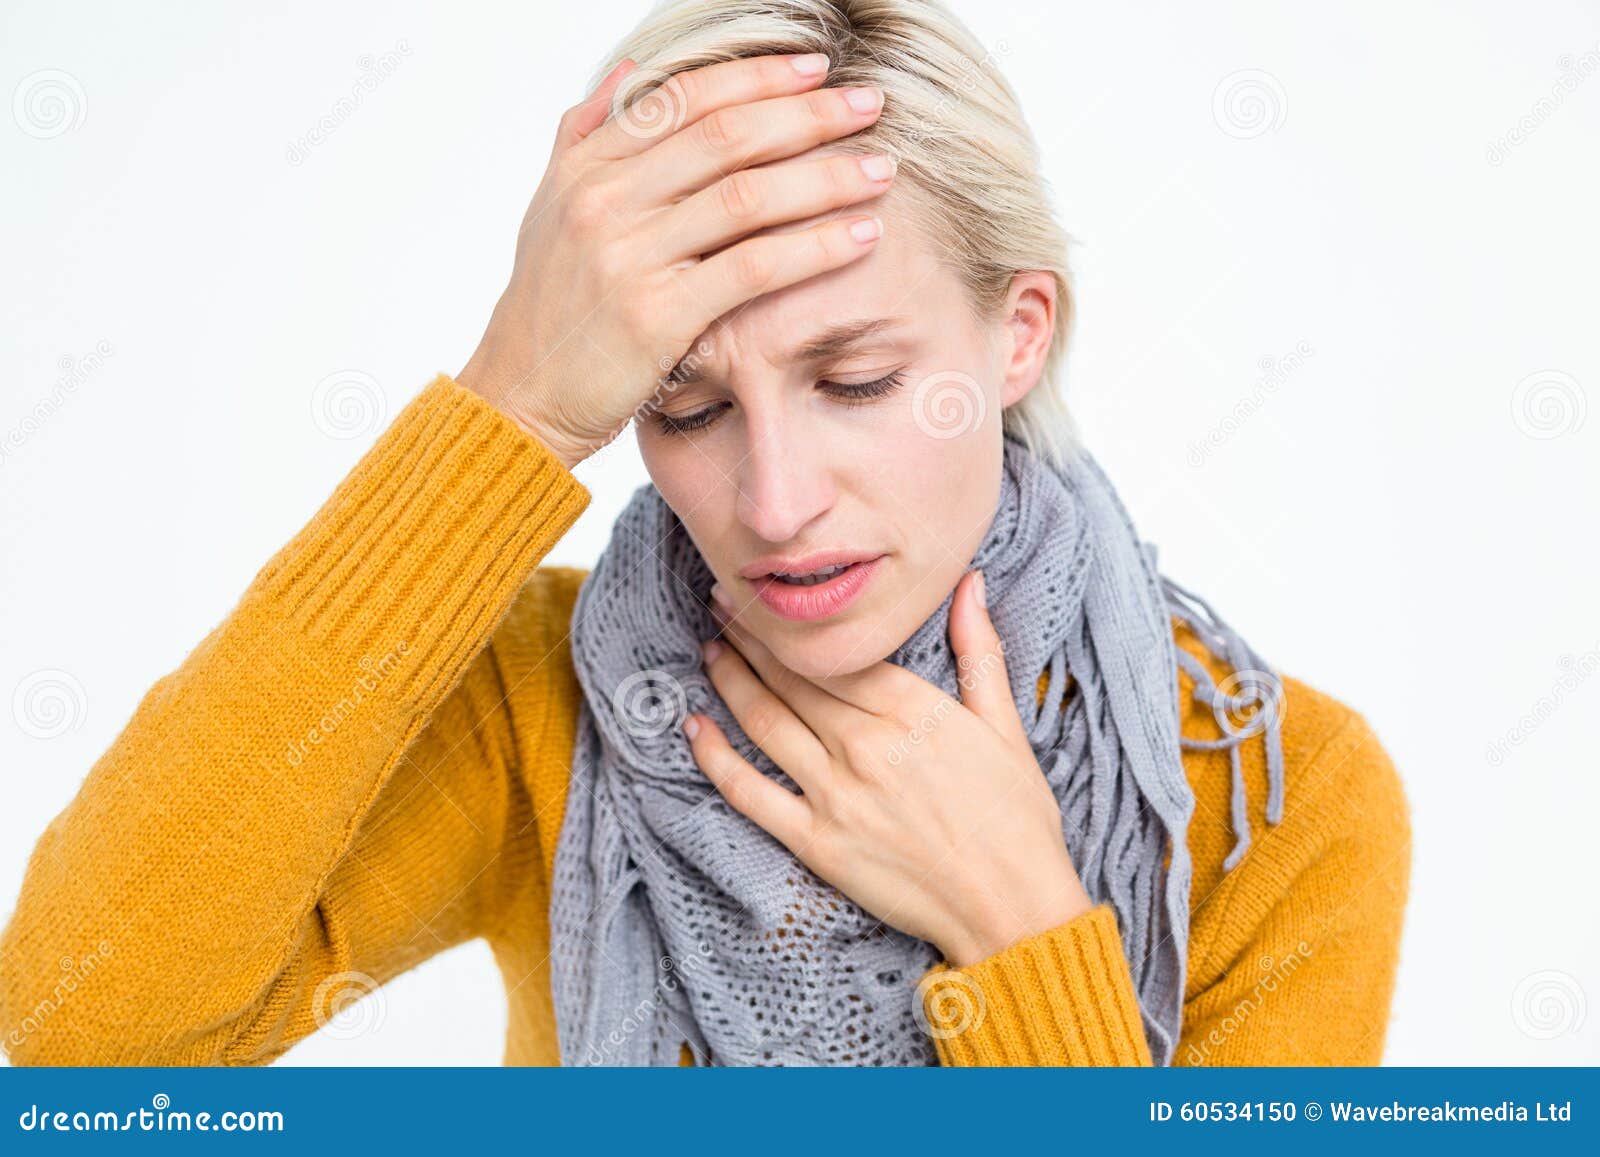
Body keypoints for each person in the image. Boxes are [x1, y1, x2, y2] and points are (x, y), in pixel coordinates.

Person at [0, 0, 1410, 1067]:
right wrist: (514, 406)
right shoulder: (546, 704)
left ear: (1018, 331)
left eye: (855, 380)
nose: (775, 501)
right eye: (683, 405)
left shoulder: (1277, 802)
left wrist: (1023, 932)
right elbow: (81, 1033)